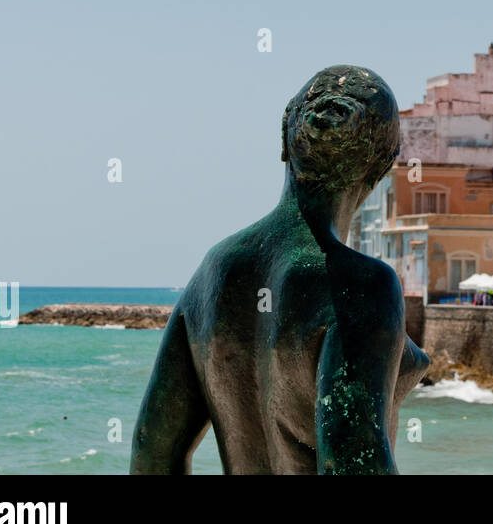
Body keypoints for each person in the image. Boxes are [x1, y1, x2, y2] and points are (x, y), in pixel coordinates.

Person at [130, 65, 428, 475]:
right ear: (380, 168)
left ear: (285, 140)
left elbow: (151, 453)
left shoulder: (214, 272)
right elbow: (350, 463)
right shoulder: (361, 287)